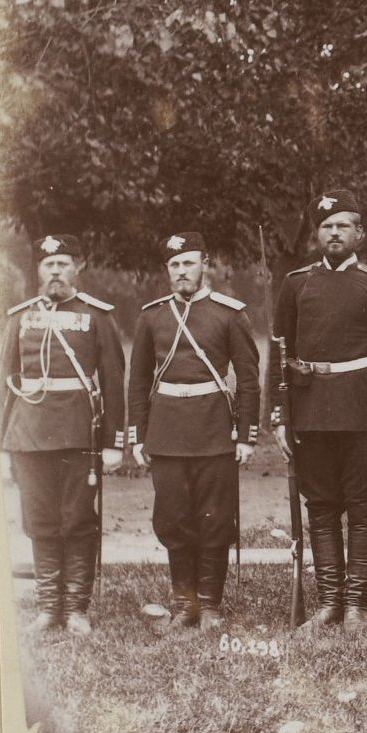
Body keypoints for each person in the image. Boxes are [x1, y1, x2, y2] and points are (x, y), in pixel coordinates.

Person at [271, 191, 367, 629]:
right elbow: (279, 355)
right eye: (327, 226)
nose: (334, 232)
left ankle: (357, 605)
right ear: (317, 235)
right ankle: (329, 601)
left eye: (343, 226)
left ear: (360, 235)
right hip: (311, 413)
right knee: (321, 507)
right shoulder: (296, 284)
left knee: (363, 506)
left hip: (359, 410)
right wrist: (280, 415)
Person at [127, 231, 260, 630]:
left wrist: (247, 435)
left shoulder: (229, 313)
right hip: (167, 433)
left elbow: (250, 380)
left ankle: (211, 606)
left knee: (215, 518)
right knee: (173, 519)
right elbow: (138, 381)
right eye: (174, 265)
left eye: (189, 263)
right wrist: (138, 434)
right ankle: (185, 605)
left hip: (214, 430)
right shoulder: (152, 316)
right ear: (167, 271)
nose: (182, 271)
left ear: (205, 265)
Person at [2, 233, 126, 633]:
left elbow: (113, 381)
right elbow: (5, 384)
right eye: (48, 265)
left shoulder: (96, 316)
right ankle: (47, 608)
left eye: (63, 264)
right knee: (38, 519)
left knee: (76, 520)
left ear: (78, 267)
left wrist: (112, 442)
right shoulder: (19, 317)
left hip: (78, 435)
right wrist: (1, 446)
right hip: (28, 436)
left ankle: (76, 609)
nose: (55, 271)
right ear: (39, 270)